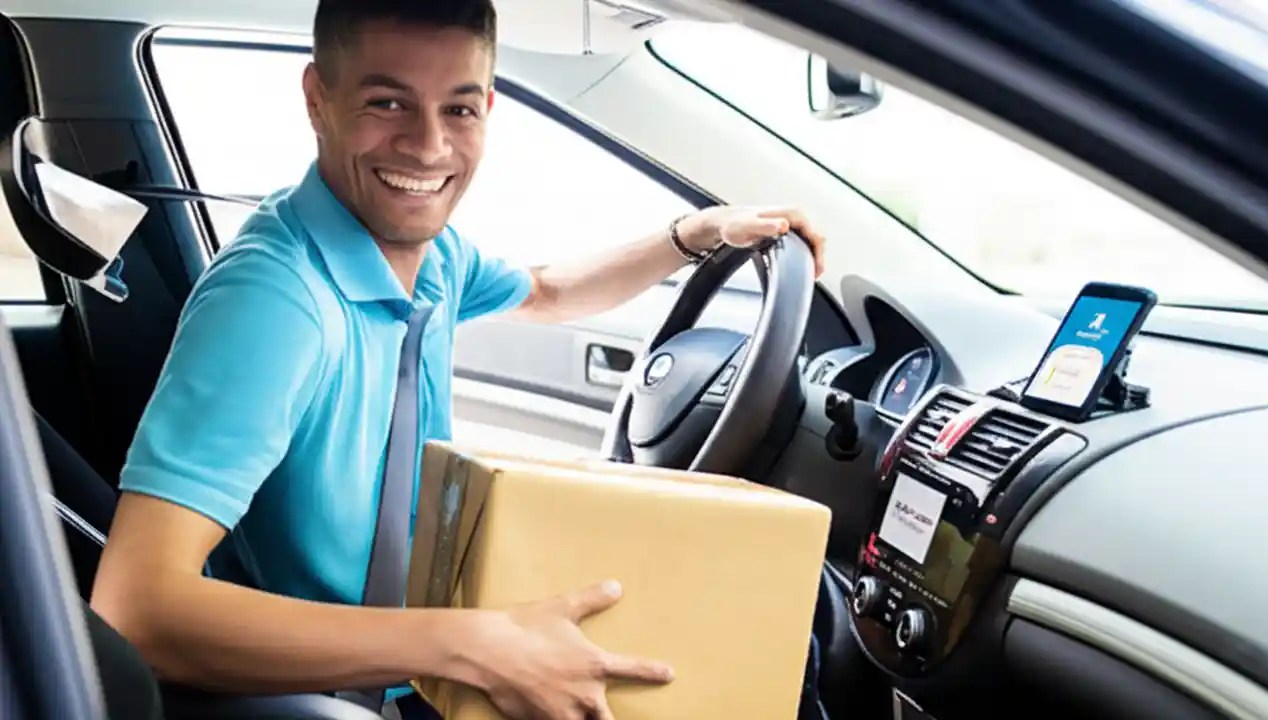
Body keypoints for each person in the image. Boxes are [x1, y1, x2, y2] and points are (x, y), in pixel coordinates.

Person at [89, 1, 826, 719]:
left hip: (415, 666)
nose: (429, 146)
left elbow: (551, 289)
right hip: (325, 694)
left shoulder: (432, 257)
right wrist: (469, 646)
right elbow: (137, 608)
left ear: (488, 111)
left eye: (459, 110)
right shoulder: (274, 302)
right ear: (319, 98)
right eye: (387, 103)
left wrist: (696, 233)